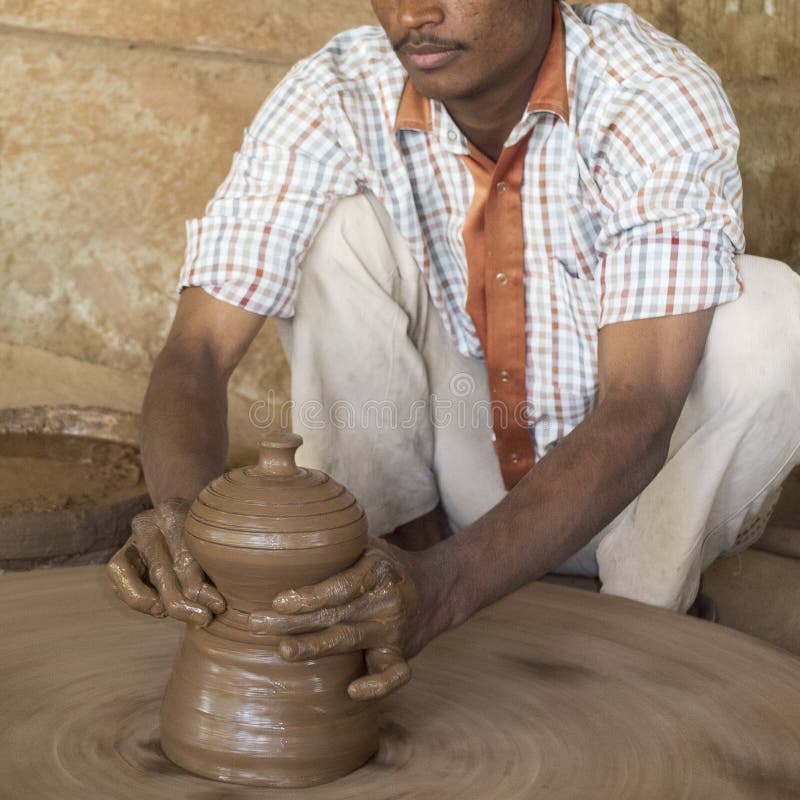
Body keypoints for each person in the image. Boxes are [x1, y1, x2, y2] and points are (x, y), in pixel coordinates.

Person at [108, 0, 800, 701]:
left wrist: (446, 591)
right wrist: (184, 518)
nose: (414, 12)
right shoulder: (339, 88)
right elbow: (196, 347)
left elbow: (641, 409)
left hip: (638, 497)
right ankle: (377, 571)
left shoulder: (651, 94)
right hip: (470, 465)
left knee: (773, 310)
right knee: (334, 232)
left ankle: (636, 618)